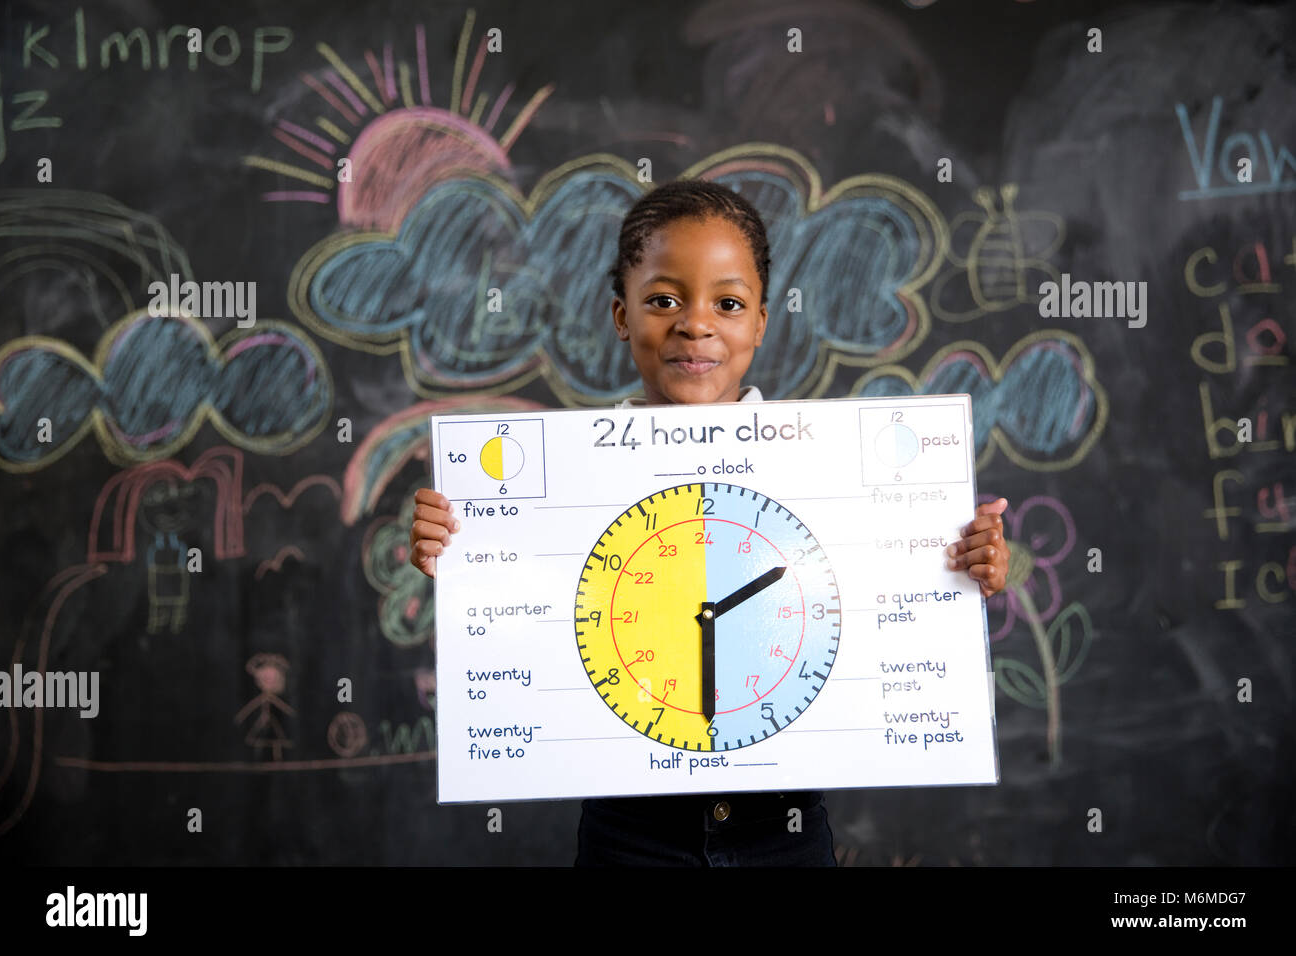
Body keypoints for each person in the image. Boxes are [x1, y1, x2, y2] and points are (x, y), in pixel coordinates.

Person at [410, 179, 1011, 865]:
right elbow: (515, 611)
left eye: (728, 303)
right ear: (620, 315)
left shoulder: (824, 476)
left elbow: (886, 596)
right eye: (663, 300)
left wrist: (966, 563)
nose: (695, 324)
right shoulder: (561, 488)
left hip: (781, 831)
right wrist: (455, 549)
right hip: (628, 834)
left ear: (760, 321)